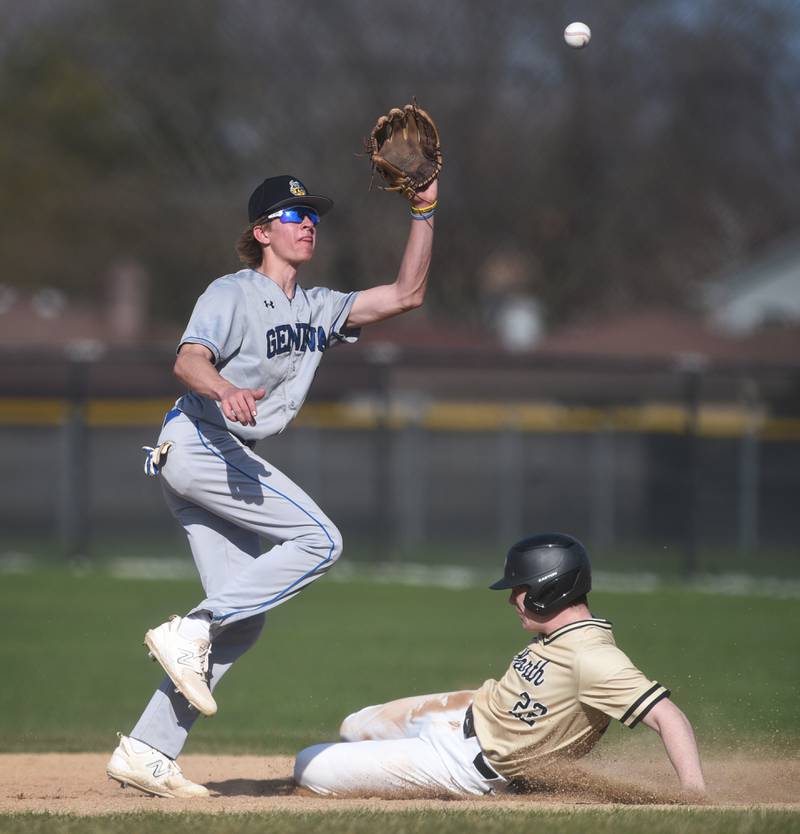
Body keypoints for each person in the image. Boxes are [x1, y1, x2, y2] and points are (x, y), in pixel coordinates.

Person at [105, 173, 438, 798]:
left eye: (311, 214)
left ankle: (148, 748)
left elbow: (405, 294)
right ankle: (192, 628)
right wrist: (225, 388)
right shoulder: (232, 292)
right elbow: (188, 360)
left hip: (217, 454)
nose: (307, 222)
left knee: (243, 618)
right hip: (202, 440)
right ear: (261, 232)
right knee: (320, 540)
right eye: (291, 214)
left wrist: (423, 210)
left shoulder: (316, 309)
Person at [294, 533, 706, 799]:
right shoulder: (559, 634)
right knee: (352, 725)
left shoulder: (594, 657)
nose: (512, 600)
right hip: (461, 712)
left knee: (310, 766)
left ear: (551, 588)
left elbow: (668, 717)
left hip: (465, 765)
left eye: (520, 590)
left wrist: (693, 793)